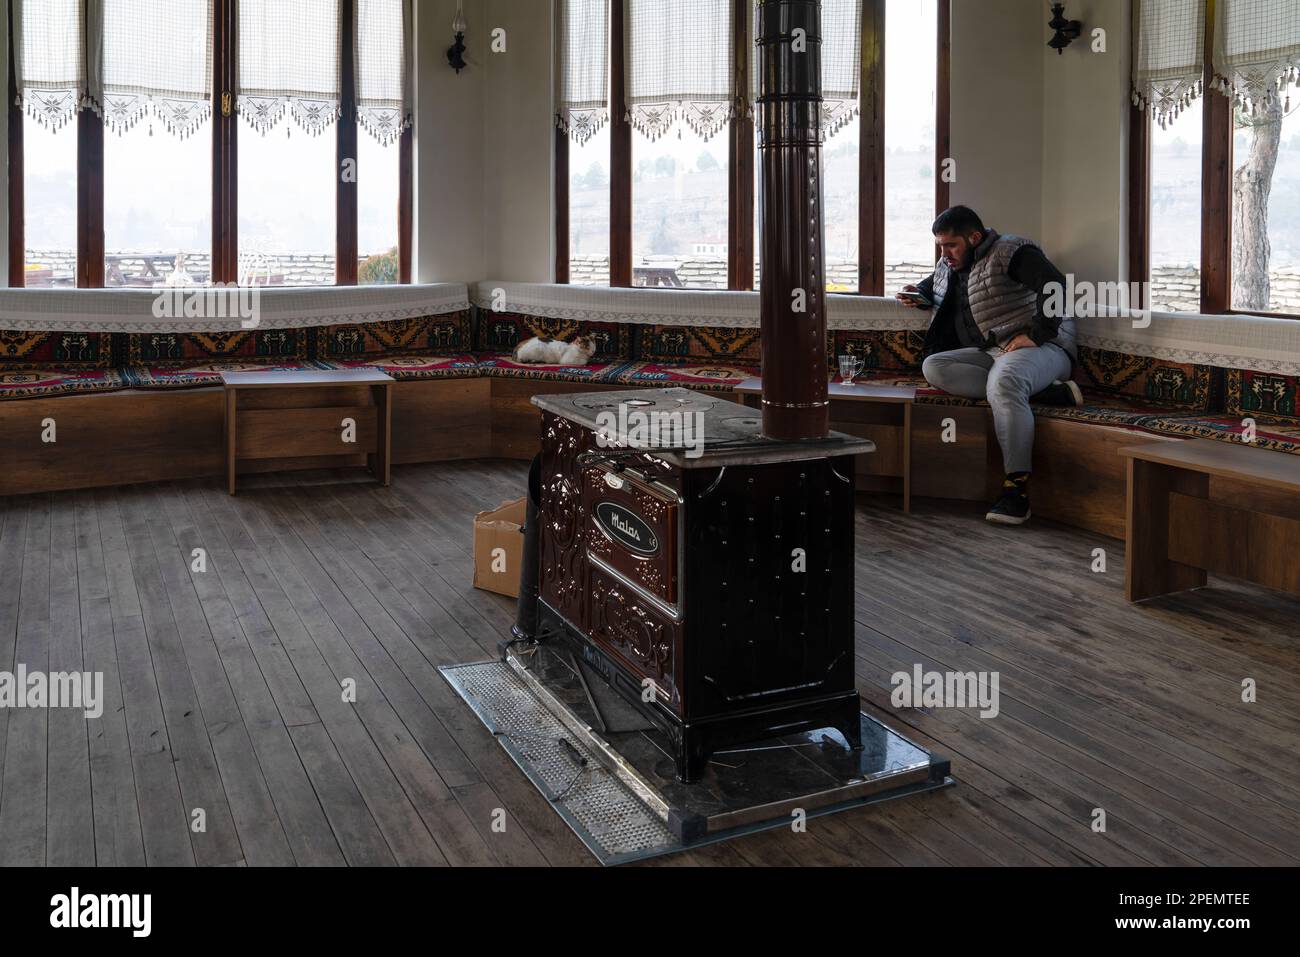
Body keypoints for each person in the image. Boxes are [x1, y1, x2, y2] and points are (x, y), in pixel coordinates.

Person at [897, 205, 1081, 526]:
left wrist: (1038, 334)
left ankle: (1016, 492)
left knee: (1004, 383)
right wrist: (921, 293)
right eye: (940, 245)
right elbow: (938, 285)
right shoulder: (951, 263)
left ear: (974, 237)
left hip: (1045, 348)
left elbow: (1053, 283)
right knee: (935, 367)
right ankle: (1047, 393)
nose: (945, 252)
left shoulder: (1011, 251)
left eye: (951, 244)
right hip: (995, 352)